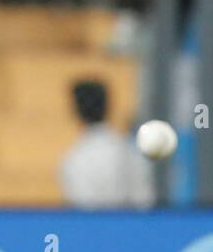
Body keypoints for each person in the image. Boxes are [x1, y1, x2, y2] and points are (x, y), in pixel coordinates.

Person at [59, 80, 155, 208]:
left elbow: (85, 212)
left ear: (76, 110)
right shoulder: (131, 151)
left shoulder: (73, 160)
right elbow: (145, 201)